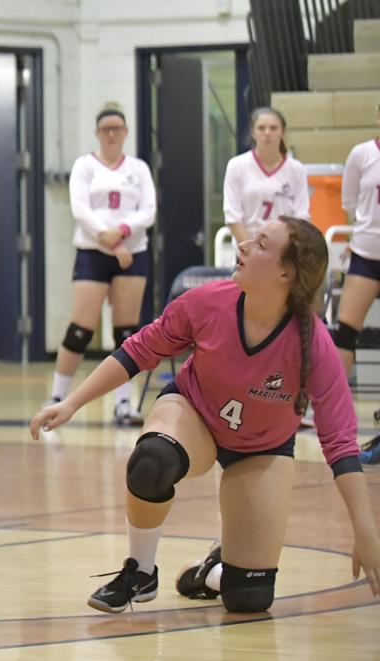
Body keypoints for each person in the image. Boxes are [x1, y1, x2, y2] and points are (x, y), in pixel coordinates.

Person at [29, 216, 379, 614]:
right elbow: (138, 351)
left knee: (249, 600)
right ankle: (140, 572)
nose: (244, 246)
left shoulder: (314, 344)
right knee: (152, 460)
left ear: (288, 272)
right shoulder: (207, 302)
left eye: (261, 244)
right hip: (196, 417)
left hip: (262, 448)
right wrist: (71, 402)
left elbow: (340, 445)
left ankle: (213, 570)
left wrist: (365, 530)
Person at [50, 104, 154, 426]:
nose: (112, 134)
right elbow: (81, 210)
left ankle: (123, 404)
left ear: (125, 133)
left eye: (117, 128)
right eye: (106, 129)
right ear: (98, 133)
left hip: (132, 252)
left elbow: (147, 211)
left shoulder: (138, 169)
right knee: (80, 329)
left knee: (126, 333)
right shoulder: (85, 166)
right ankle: (56, 397)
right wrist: (109, 241)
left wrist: (122, 235)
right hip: (94, 252)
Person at [332, 103, 380, 409]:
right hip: (366, 253)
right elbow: (349, 200)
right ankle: (332, 408)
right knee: (346, 329)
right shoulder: (362, 154)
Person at [223, 107, 310, 250]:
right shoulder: (236, 166)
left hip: (283, 252)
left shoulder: (297, 169)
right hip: (247, 253)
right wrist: (252, 251)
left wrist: (284, 251)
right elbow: (232, 218)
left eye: (273, 128)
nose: (267, 133)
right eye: (261, 128)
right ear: (253, 132)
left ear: (283, 132)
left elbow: (301, 218)